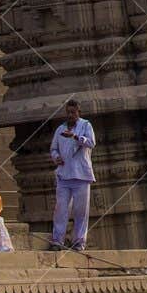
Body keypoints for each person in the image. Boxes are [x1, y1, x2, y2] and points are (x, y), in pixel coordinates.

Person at [50, 99, 96, 252]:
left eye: (73, 112)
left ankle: (79, 242)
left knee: (81, 211)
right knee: (60, 209)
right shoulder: (60, 129)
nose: (70, 115)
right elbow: (53, 148)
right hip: (64, 175)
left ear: (78, 113)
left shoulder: (85, 125)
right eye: (68, 112)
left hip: (81, 175)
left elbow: (91, 143)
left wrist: (75, 137)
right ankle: (57, 240)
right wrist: (56, 157)